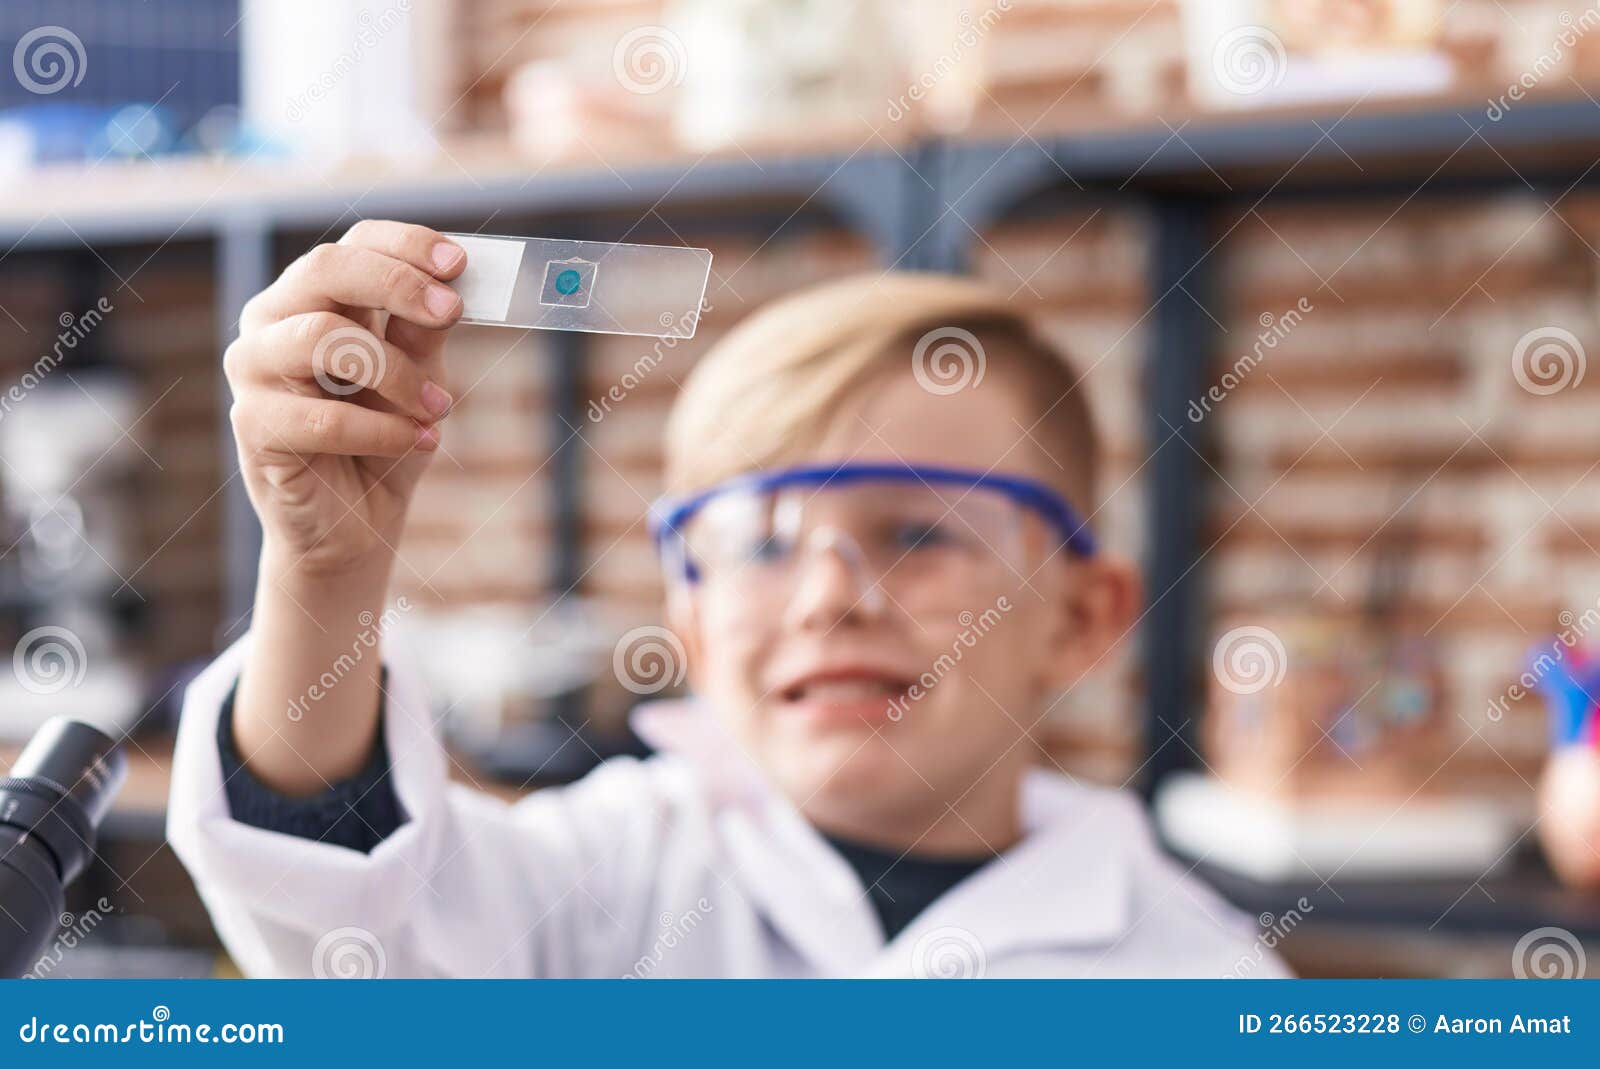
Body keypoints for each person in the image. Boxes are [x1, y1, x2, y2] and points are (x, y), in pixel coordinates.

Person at [166, 220, 1288, 978]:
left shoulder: (1202, 976)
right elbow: (345, 915)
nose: (825, 597)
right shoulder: (611, 874)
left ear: (1082, 616)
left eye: (918, 534)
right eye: (757, 544)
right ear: (691, 625)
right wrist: (325, 574)